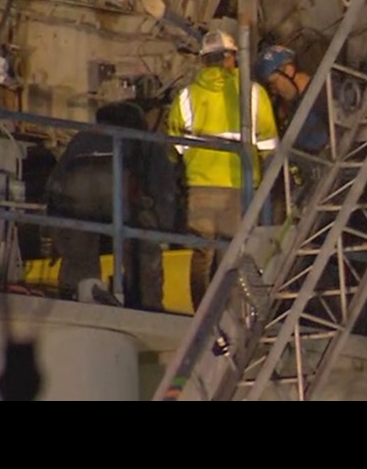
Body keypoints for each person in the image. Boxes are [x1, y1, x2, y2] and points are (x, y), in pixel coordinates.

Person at [168, 29, 279, 311]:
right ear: (231, 58)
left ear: (204, 61)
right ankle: (232, 312)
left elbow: (176, 146)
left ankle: (202, 313)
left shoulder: (185, 96)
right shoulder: (253, 93)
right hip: (239, 185)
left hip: (201, 186)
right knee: (235, 251)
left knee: (202, 253)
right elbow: (268, 142)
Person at [45, 100, 178, 311]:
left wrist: (54, 228)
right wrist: (163, 228)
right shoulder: (144, 140)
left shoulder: (81, 139)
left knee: (79, 254)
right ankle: (146, 305)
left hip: (77, 197)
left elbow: (55, 183)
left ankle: (78, 296)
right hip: (123, 193)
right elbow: (163, 186)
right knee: (142, 249)